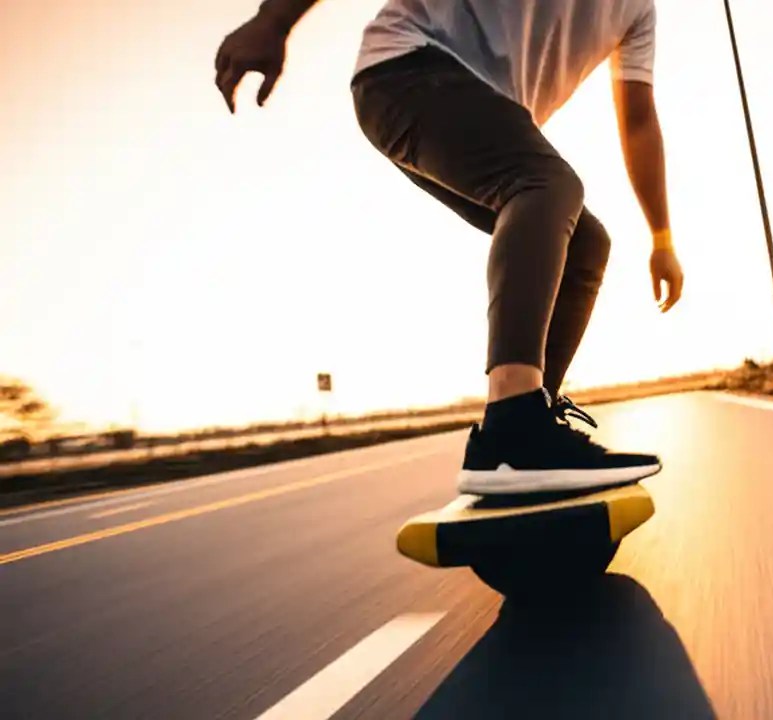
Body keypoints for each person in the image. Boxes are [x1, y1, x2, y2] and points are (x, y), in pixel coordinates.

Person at [215, 0, 681, 494]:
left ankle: (525, 431)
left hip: (469, 106)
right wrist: (273, 21)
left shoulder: (638, 12)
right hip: (406, 68)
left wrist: (662, 238)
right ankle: (514, 423)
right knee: (545, 185)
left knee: (585, 244)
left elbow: (637, 121)